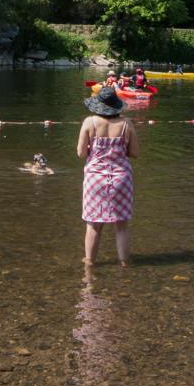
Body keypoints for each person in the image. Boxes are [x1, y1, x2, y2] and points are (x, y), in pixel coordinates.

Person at [78, 85, 137, 267]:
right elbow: (134, 153)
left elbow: (80, 153)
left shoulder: (90, 123)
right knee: (121, 226)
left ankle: (90, 263)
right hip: (121, 178)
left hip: (95, 179)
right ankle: (124, 263)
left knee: (94, 225)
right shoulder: (127, 124)